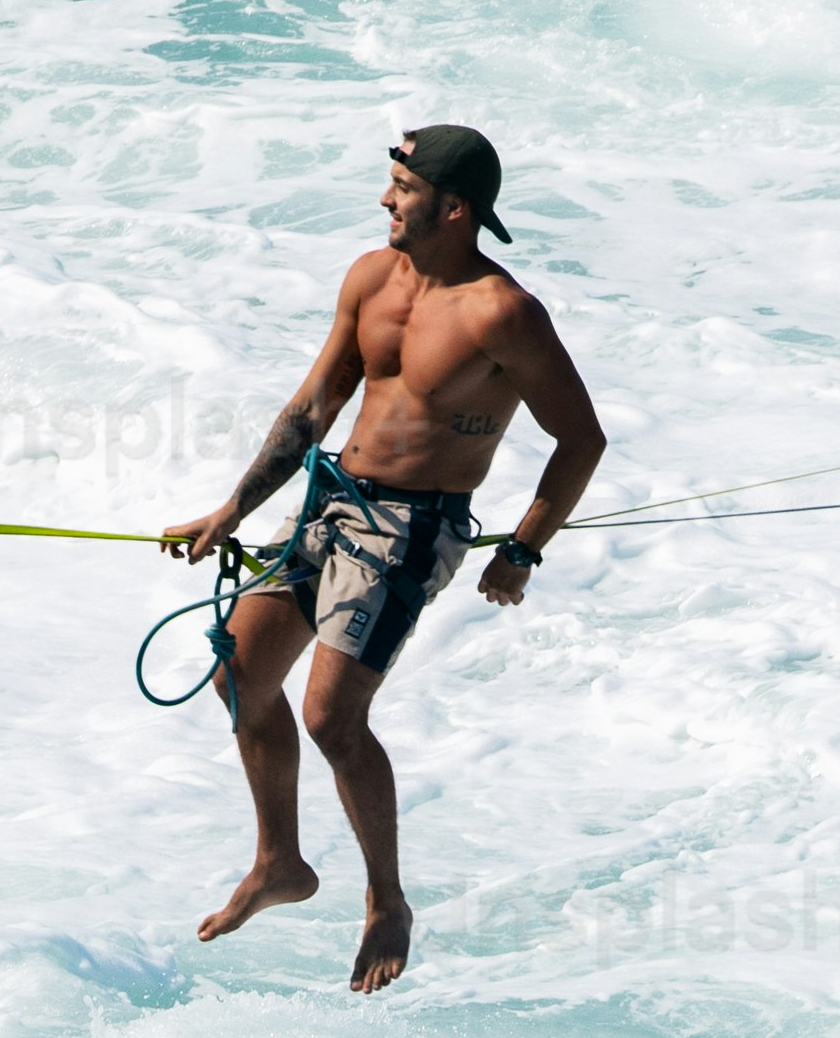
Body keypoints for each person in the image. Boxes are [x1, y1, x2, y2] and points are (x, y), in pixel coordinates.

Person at [160, 127, 606, 988]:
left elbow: (580, 438)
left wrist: (523, 548)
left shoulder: (500, 313)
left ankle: (386, 901)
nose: (383, 199)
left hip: (412, 529)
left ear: (453, 207)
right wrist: (231, 509)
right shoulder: (371, 277)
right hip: (329, 504)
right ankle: (279, 863)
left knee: (331, 716)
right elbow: (309, 411)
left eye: (399, 186)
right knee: (239, 677)